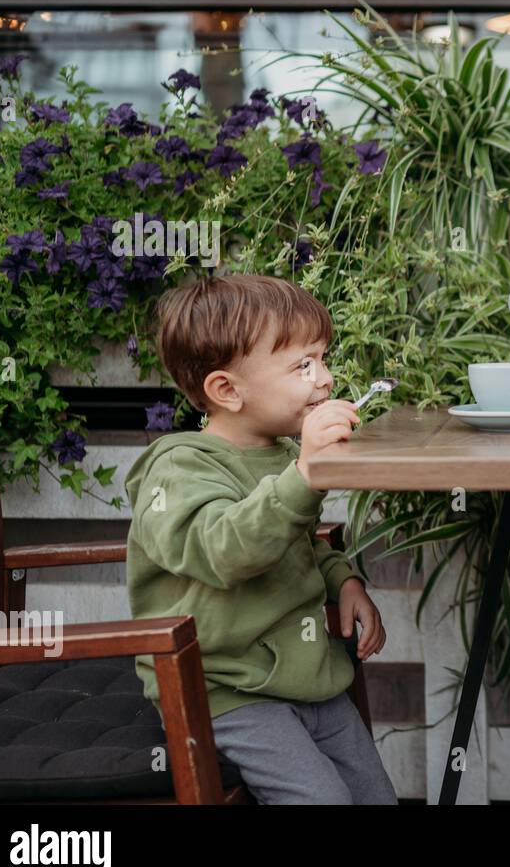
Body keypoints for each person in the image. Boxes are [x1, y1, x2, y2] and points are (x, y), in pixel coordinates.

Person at [125, 273, 397, 804]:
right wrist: (302, 474)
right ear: (227, 390)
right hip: (223, 687)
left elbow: (299, 542)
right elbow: (228, 549)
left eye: (322, 358)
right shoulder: (179, 467)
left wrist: (344, 582)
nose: (325, 379)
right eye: (303, 365)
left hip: (308, 678)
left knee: (376, 798)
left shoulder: (278, 454)